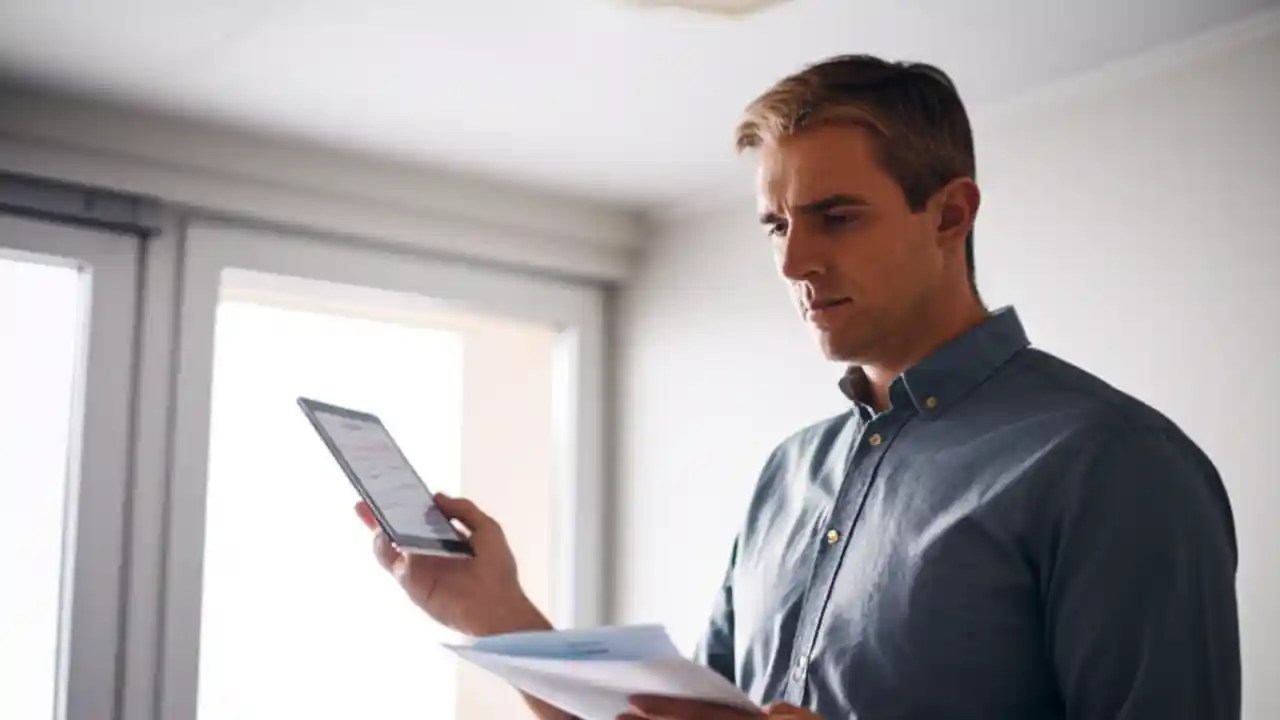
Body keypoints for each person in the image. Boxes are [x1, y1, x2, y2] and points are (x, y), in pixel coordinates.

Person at [355, 55, 1241, 720]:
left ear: (951, 213)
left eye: (835, 216)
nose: (792, 262)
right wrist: (496, 612)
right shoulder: (790, 474)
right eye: (776, 223)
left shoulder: (1114, 464)